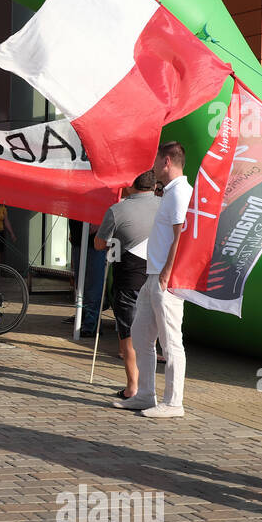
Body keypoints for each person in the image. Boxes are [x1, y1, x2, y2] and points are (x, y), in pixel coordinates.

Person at [114, 142, 192, 418]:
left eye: (156, 161)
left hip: (165, 279)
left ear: (167, 161)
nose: (153, 167)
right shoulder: (170, 193)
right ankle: (146, 394)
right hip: (153, 274)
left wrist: (168, 274)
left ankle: (174, 403)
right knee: (140, 335)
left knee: (171, 341)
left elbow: (182, 235)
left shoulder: (181, 193)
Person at [95, 171, 161, 401]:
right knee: (152, 333)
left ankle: (133, 386)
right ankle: (152, 387)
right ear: (154, 185)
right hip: (160, 276)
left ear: (131, 184)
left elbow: (100, 243)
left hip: (129, 278)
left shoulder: (117, 210)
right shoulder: (165, 206)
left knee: (129, 334)